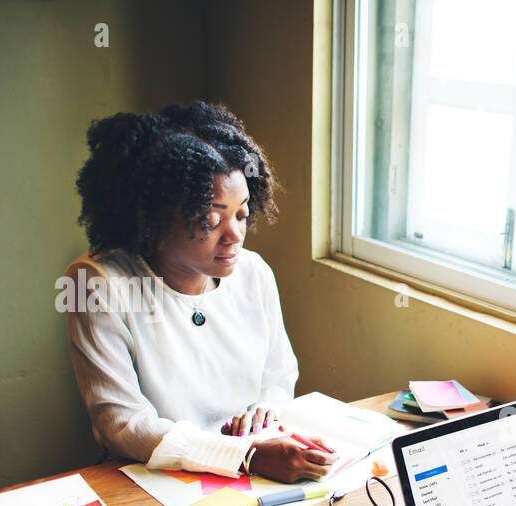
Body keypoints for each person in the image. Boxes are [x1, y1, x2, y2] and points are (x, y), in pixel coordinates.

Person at [64, 101, 335, 483]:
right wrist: (245, 456)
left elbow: (279, 375)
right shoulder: (95, 283)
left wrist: (266, 412)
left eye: (241, 214)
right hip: (149, 478)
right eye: (211, 220)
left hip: (254, 467)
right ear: (153, 219)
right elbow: (123, 424)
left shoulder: (254, 273)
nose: (236, 235)